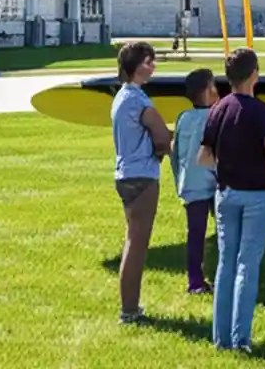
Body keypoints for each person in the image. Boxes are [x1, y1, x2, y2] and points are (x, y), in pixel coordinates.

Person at [198, 48, 265, 353]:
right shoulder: (262, 111)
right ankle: (241, 338)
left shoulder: (217, 109)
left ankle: (220, 338)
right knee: (247, 265)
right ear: (254, 75)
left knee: (226, 264)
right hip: (258, 195)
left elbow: (204, 156)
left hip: (227, 193)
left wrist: (227, 168)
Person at [111, 40, 172, 325]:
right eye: (149, 61)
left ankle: (130, 307)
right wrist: (164, 151)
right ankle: (130, 310)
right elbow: (161, 135)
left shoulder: (121, 97)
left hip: (124, 174)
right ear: (135, 67)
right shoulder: (139, 100)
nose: (153, 66)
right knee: (137, 244)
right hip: (143, 176)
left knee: (132, 240)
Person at [170, 68, 219, 295]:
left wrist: (179, 179)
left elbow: (176, 152)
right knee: (224, 232)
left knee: (195, 233)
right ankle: (222, 275)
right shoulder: (216, 116)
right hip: (215, 183)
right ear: (209, 91)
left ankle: (195, 280)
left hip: (191, 183)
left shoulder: (183, 118)